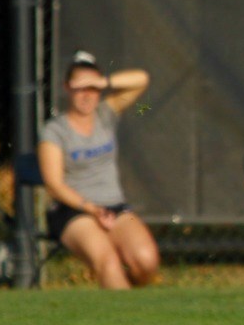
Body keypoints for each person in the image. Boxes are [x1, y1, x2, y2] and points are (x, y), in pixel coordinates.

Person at [37, 52, 162, 288]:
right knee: (108, 263)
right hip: (74, 211)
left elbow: (141, 79)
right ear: (66, 88)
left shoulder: (105, 115)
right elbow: (53, 184)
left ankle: (135, 308)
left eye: (92, 88)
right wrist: (91, 209)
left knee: (145, 260)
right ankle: (127, 321)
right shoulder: (55, 131)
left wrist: (102, 82)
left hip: (113, 207)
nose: (87, 95)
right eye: (80, 88)